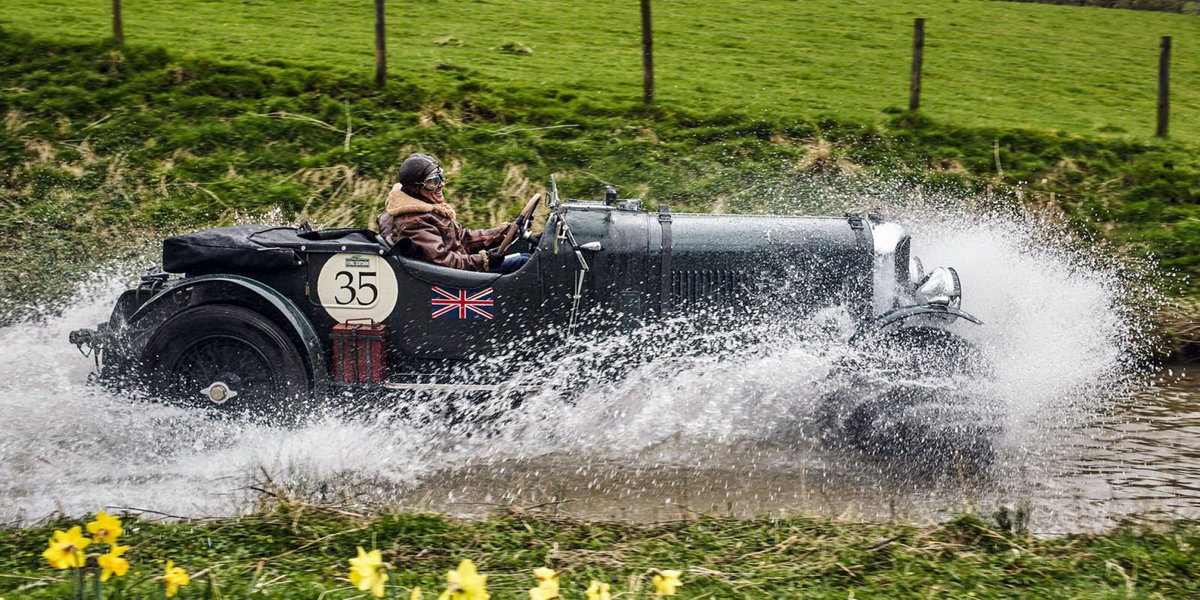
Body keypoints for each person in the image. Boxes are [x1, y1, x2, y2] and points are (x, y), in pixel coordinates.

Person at [378, 153, 530, 274]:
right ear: (415, 189)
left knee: (526, 257)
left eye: (441, 176)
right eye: (433, 181)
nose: (441, 184)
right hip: (454, 282)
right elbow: (442, 263)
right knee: (525, 263)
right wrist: (484, 260)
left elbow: (462, 237)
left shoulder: (427, 208)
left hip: (461, 272)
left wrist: (501, 233)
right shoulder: (414, 221)